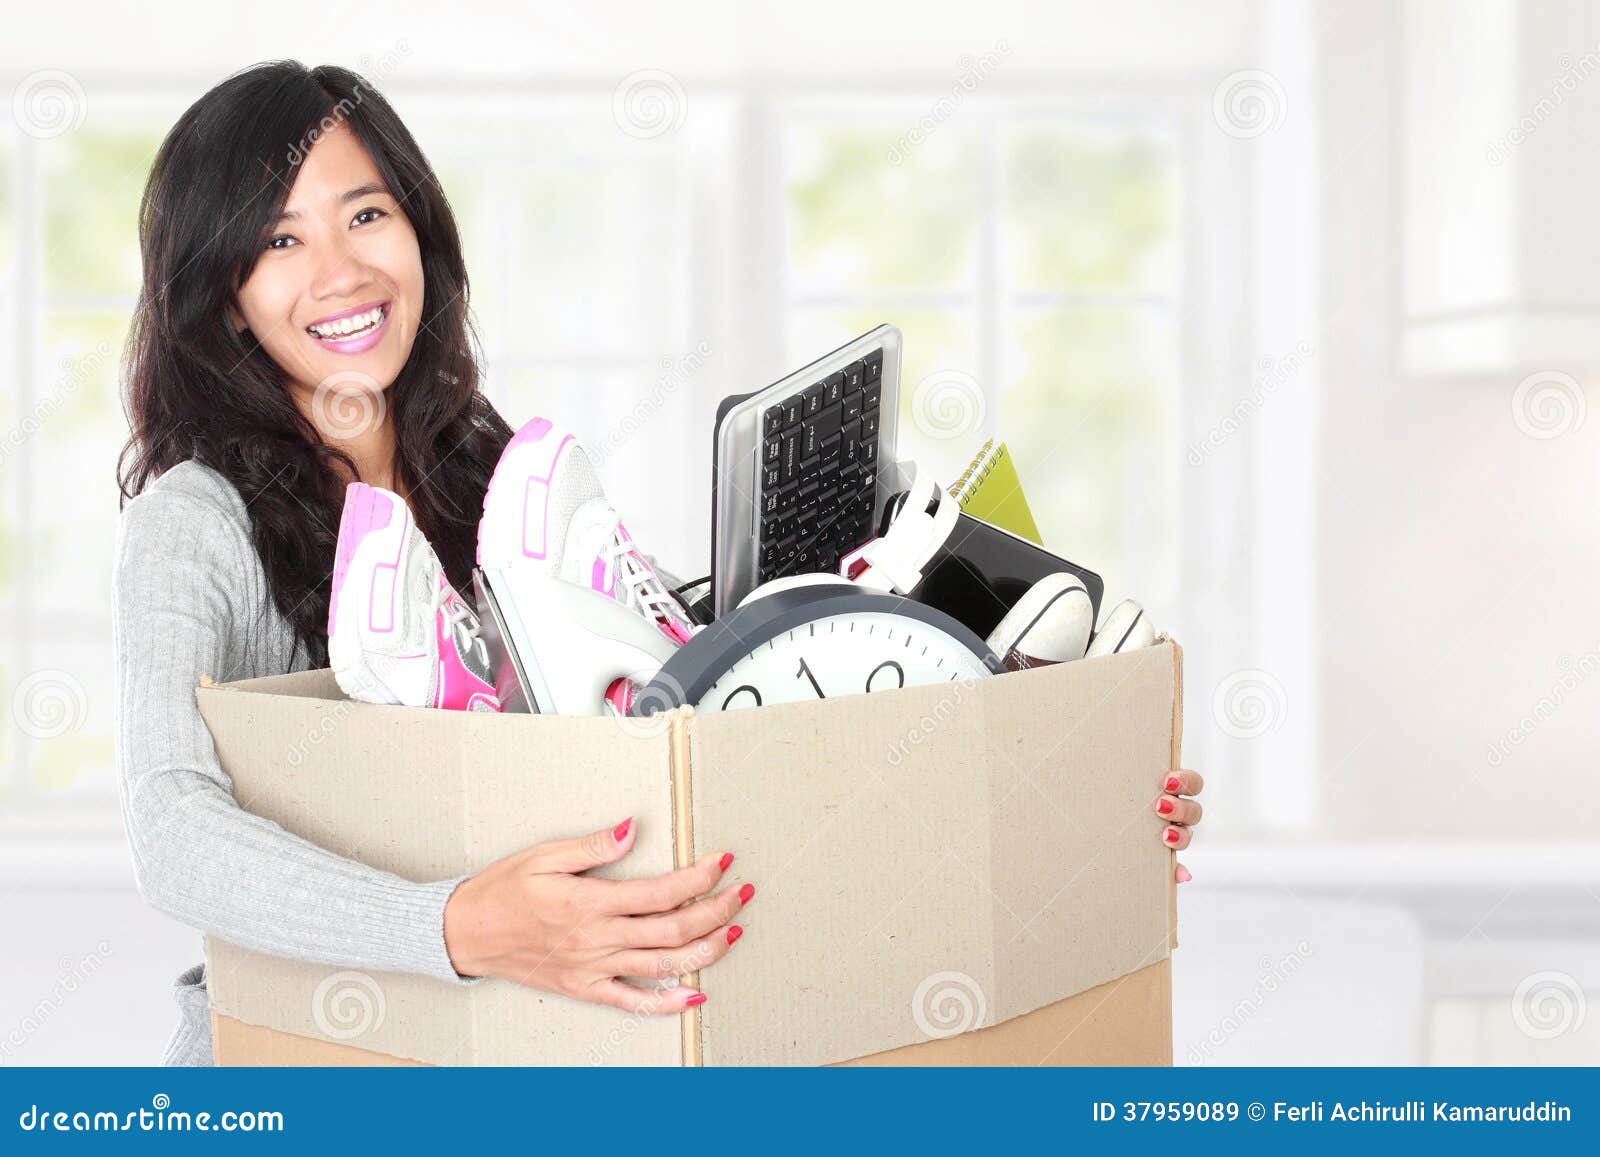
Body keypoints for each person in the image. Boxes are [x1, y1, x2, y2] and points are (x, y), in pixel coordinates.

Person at [113, 60, 1199, 1066]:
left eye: (365, 214)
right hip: (298, 1056)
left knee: (710, 661)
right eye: (279, 241)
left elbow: (706, 734)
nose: (341, 271)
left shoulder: (488, 469)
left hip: (509, 1044)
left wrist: (1065, 782)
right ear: (222, 290)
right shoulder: (195, 520)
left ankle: (488, 687)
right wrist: (457, 922)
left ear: (419, 232)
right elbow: (170, 828)